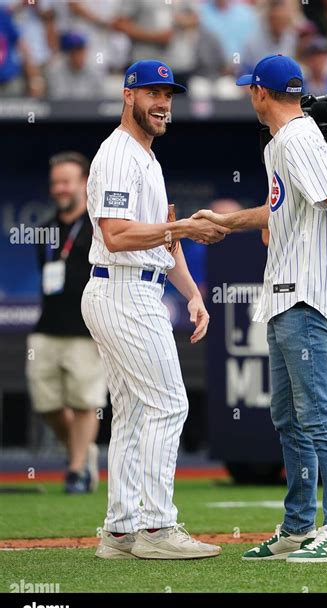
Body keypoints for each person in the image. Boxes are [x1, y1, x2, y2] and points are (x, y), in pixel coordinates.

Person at [194, 54, 327, 563]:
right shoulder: (288, 142)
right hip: (285, 296)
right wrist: (225, 223)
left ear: (262, 92)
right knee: (289, 417)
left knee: (320, 415)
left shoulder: (298, 138)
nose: (248, 96)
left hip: (307, 295)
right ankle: (299, 527)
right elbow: (278, 210)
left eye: (250, 88)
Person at [82, 59, 230, 560]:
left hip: (132, 286)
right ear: (128, 95)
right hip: (121, 288)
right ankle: (157, 527)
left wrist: (190, 291)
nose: (162, 102)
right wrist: (185, 228)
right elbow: (117, 235)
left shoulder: (148, 158)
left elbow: (162, 243)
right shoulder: (118, 154)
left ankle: (120, 531)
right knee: (170, 404)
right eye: (151, 92)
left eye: (168, 93)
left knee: (131, 412)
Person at [26, 152, 107, 494]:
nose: (60, 188)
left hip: (86, 329)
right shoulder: (44, 229)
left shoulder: (100, 228)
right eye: (55, 182)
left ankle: (76, 472)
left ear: (85, 183)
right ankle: (82, 453)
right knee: (47, 404)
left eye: (66, 181)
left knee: (85, 402)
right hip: (46, 328)